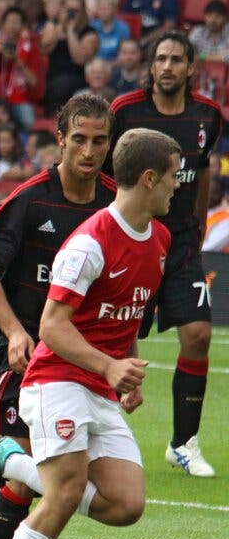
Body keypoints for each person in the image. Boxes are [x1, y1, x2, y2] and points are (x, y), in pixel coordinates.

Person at [0, 128, 180, 539]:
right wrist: (108, 366)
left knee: (126, 505)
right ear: (148, 178)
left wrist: (129, 371)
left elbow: (126, 316)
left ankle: (10, 459)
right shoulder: (90, 243)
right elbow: (53, 327)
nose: (176, 187)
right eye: (171, 177)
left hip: (100, 385)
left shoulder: (159, 239)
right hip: (56, 378)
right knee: (63, 493)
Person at [0, 93, 116, 539]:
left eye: (99, 141)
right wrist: (15, 332)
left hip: (84, 363)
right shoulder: (29, 200)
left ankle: (1, 476)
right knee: (36, 473)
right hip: (27, 359)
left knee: (57, 483)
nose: (89, 151)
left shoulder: (114, 207)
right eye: (80, 140)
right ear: (60, 139)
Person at [107, 32, 224, 477]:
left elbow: (205, 165)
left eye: (177, 59)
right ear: (151, 67)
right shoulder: (125, 111)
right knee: (110, 336)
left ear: (192, 67)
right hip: (132, 241)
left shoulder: (208, 116)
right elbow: (108, 173)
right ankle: (97, 431)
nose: (168, 66)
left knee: (198, 334)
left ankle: (184, 443)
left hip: (181, 246)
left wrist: (198, 224)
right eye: (161, 59)